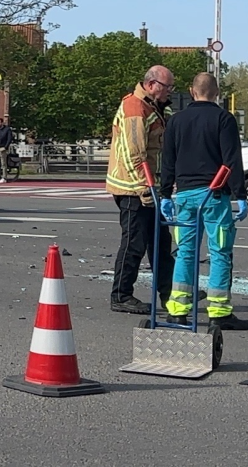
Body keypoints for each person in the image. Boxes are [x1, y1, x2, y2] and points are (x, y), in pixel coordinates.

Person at [159, 73, 248, 329]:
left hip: (185, 195)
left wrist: (166, 193)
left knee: (185, 252)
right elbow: (231, 160)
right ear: (217, 92)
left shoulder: (176, 121)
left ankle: (177, 309)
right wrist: (240, 195)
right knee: (220, 252)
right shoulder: (224, 119)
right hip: (214, 195)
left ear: (191, 91)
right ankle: (219, 313)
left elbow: (168, 160)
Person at [105, 65, 176, 314]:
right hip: (133, 189)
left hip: (147, 186)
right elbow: (135, 153)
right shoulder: (135, 107)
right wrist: (144, 188)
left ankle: (170, 294)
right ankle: (121, 295)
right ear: (151, 84)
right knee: (134, 243)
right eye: (168, 87)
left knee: (160, 243)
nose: (170, 91)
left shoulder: (152, 107)